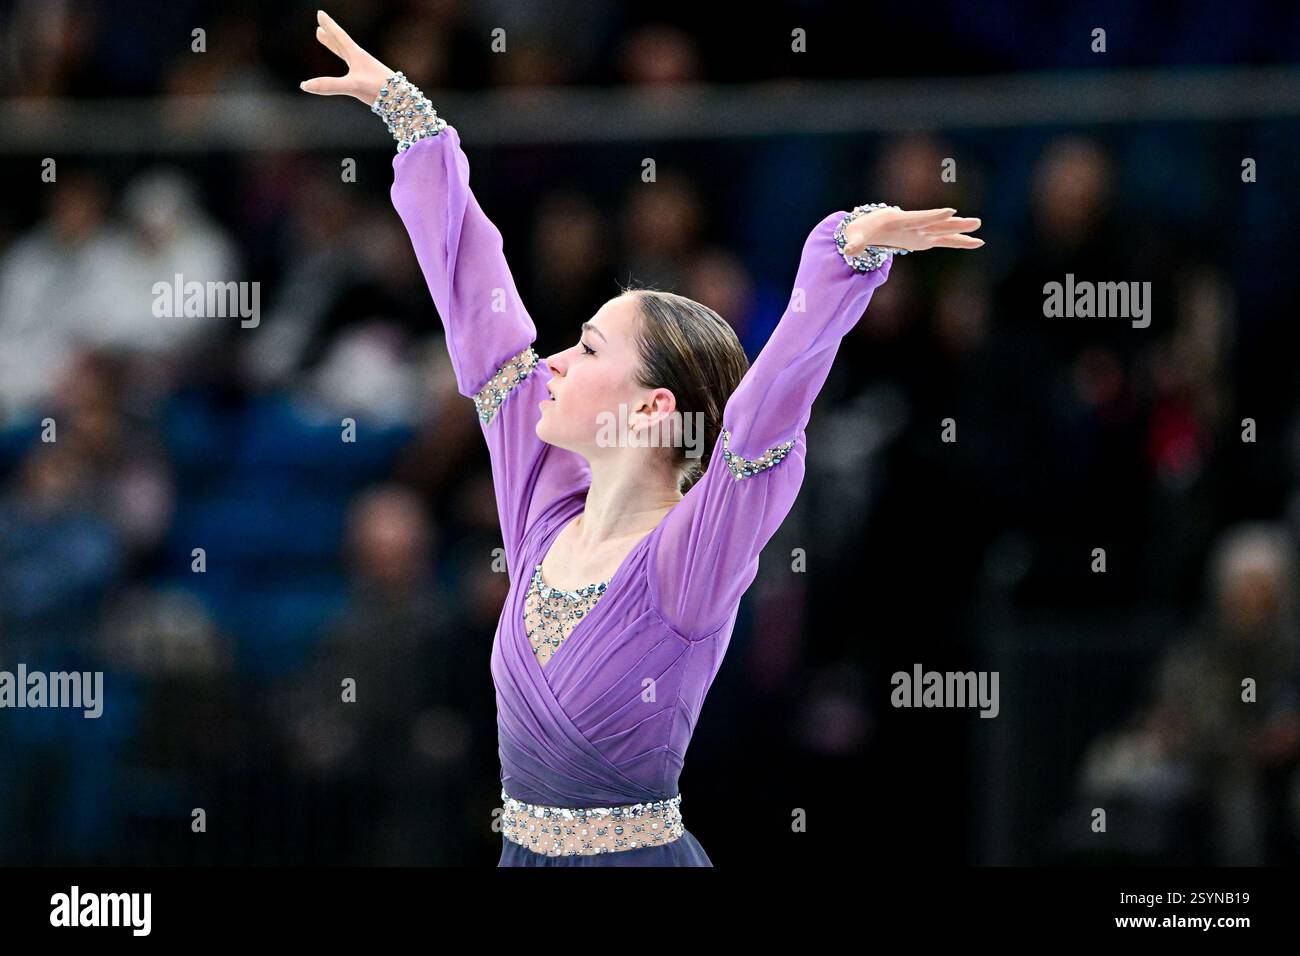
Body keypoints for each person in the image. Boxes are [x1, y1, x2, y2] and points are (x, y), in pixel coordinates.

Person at [302, 10, 982, 865]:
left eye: (586, 346)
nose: (548, 360)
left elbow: (762, 420)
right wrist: (410, 118)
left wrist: (841, 255)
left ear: (654, 408)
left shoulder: (689, 559)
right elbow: (479, 306)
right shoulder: (539, 506)